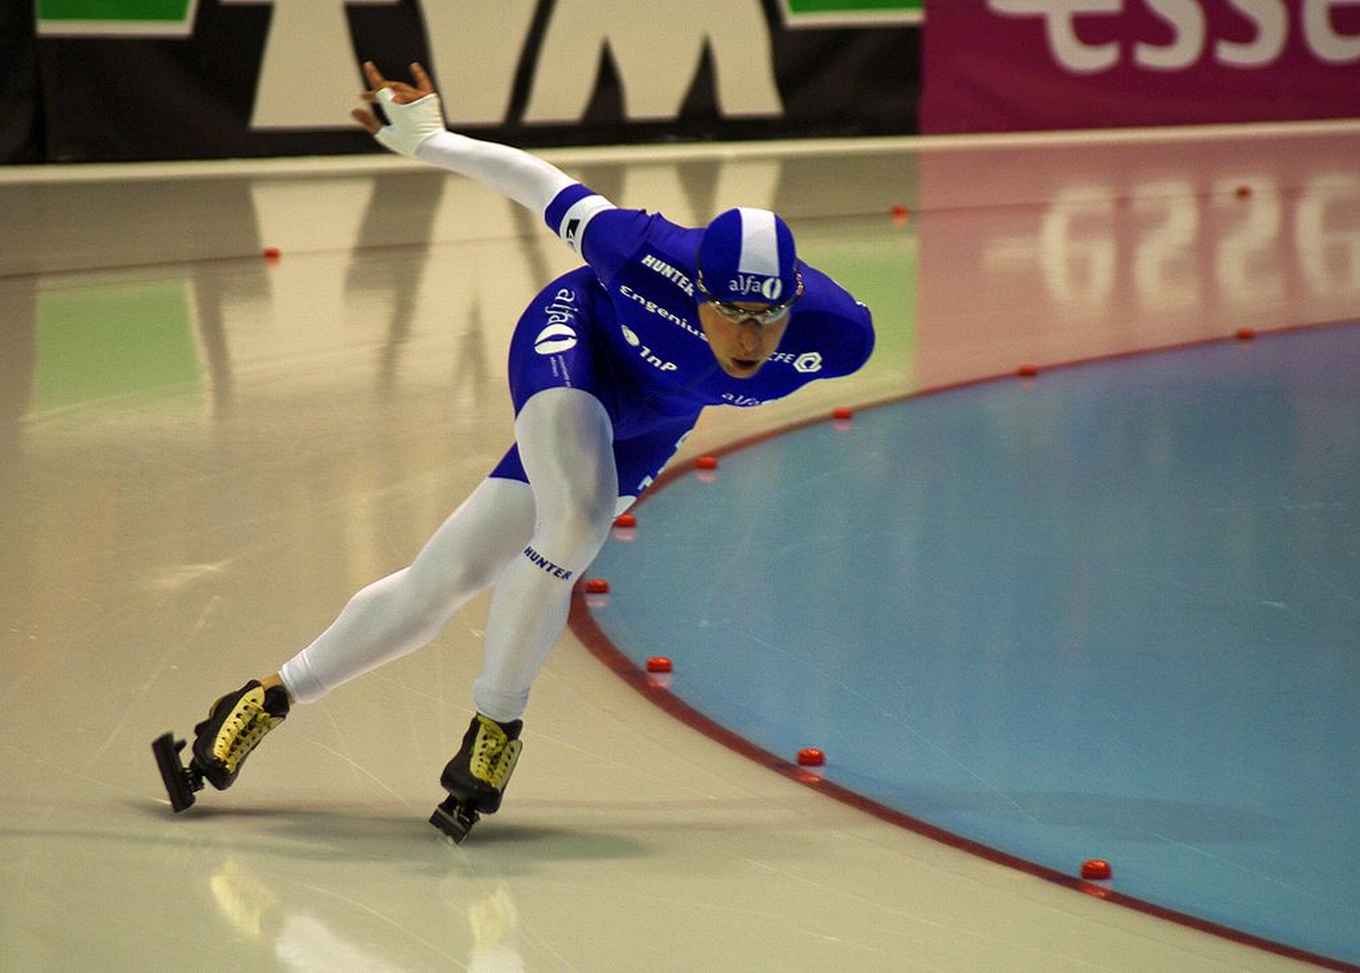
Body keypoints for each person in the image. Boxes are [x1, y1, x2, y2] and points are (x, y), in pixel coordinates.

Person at [178, 61, 876, 838]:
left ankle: (268, 695)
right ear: (697, 291)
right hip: (573, 346)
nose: (749, 338)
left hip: (653, 419)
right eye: (732, 313)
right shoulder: (642, 251)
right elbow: (545, 186)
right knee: (575, 523)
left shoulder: (838, 336)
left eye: (769, 318)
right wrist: (434, 141)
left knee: (442, 582)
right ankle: (498, 727)